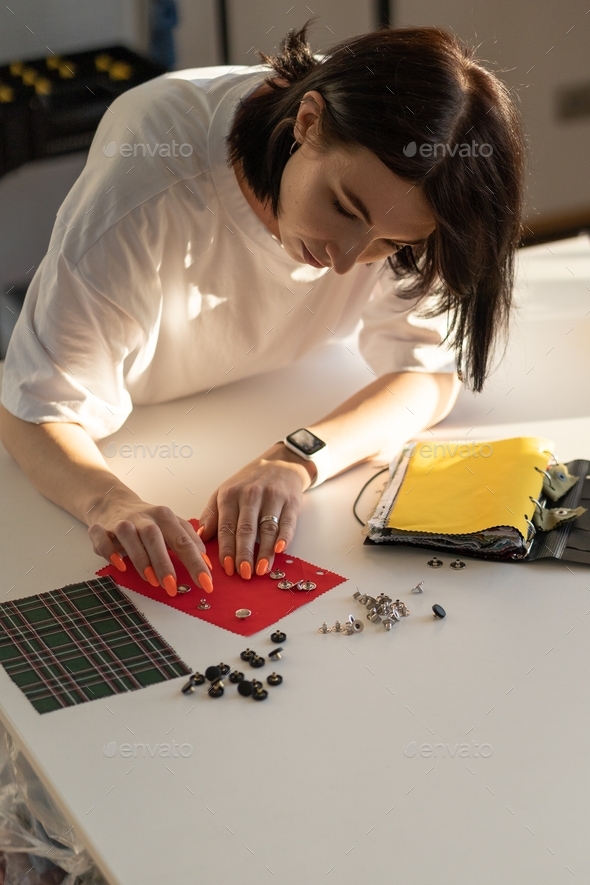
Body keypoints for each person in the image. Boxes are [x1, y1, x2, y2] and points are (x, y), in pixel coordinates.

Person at [0, 23, 525, 597]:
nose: (348, 260)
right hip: (132, 411)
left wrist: (295, 459)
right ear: (308, 121)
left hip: (269, 396)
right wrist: (110, 500)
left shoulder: (422, 162)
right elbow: (29, 409)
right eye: (344, 208)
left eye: (390, 245)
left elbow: (426, 373)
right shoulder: (148, 171)